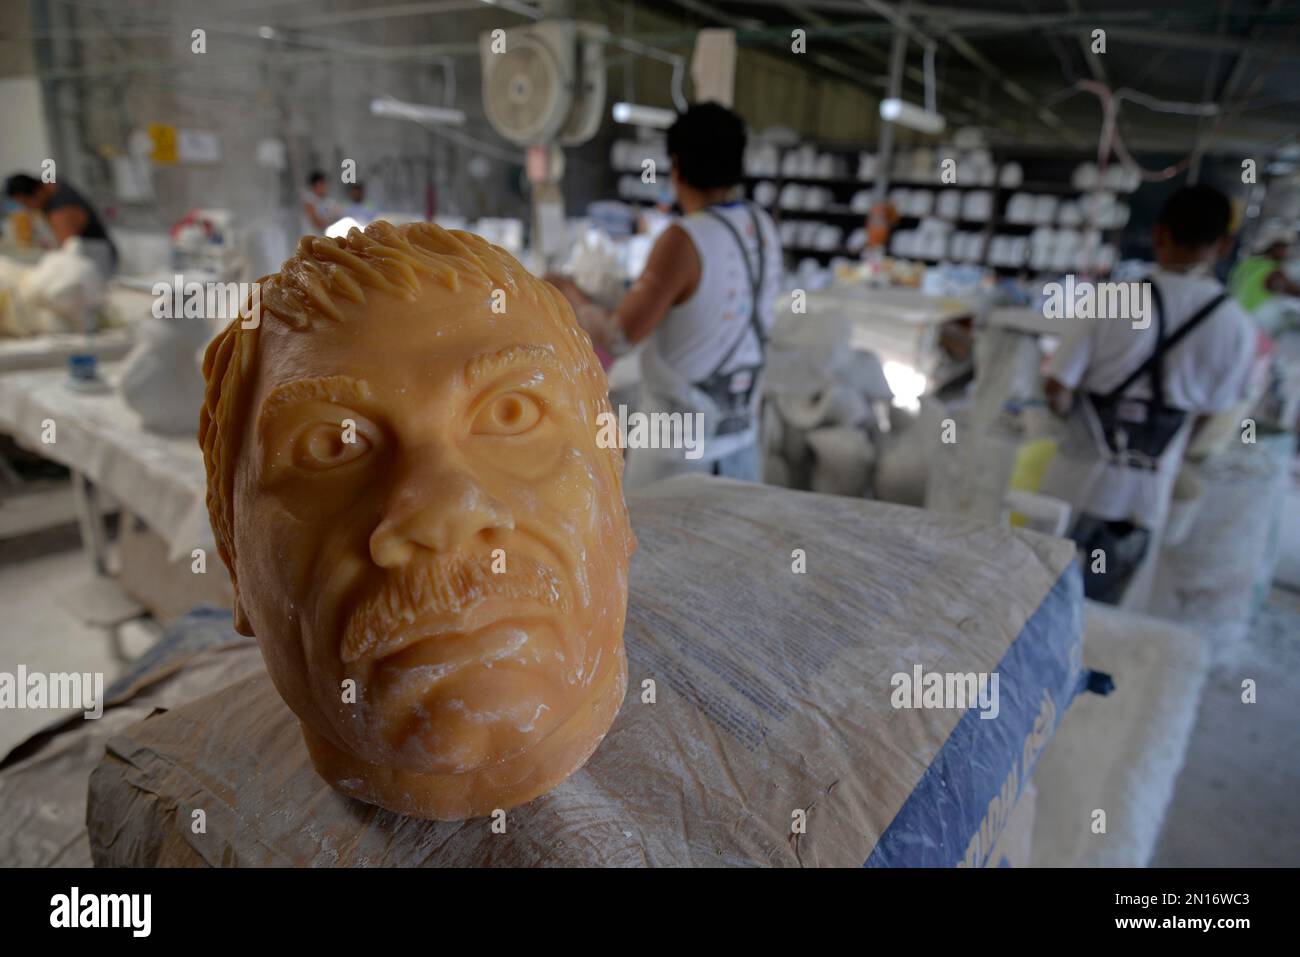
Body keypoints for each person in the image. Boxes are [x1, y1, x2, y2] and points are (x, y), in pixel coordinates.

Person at [1040, 184, 1257, 606]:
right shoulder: (1236, 326)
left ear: (1159, 235)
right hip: (1143, 499)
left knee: (1038, 591)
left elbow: (1057, 388)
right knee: (1096, 608)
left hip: (1075, 483)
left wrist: (1063, 416)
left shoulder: (1111, 298)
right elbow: (1210, 419)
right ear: (1224, 244)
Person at [547, 102, 782, 488]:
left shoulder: (684, 239)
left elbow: (619, 336)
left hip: (679, 458)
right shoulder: (762, 226)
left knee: (653, 547)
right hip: (740, 447)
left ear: (675, 164)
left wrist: (568, 292)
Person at [4, 172, 117, 279]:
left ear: (36, 193)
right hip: (90, 254)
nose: (26, 208)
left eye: (25, 203)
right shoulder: (51, 186)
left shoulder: (61, 211)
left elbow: (69, 251)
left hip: (94, 257)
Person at [1229, 232, 1300, 320]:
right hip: (1245, 318)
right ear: (1275, 249)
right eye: (1284, 250)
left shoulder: (1249, 262)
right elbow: (1290, 288)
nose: (1287, 254)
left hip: (1229, 310)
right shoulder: (1273, 271)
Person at [301, 170, 340, 235]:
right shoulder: (309, 199)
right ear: (315, 185)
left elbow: (337, 214)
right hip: (311, 238)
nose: (325, 187)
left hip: (323, 237)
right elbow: (315, 221)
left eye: (325, 184)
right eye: (322, 184)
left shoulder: (326, 201)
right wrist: (332, 224)